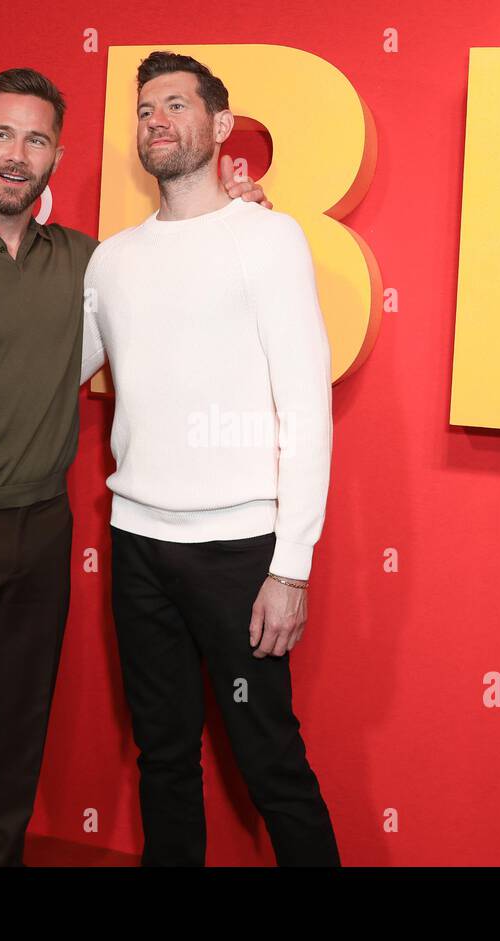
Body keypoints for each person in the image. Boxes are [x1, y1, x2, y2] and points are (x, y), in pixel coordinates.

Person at [0, 67, 268, 867]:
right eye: (2, 134)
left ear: (55, 158)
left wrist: (234, 221)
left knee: (16, 740)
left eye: (35, 139)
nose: (15, 154)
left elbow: (170, 282)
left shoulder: (86, 263)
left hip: (42, 537)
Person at [79, 51, 339, 866]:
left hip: (240, 553)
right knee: (162, 759)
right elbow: (50, 371)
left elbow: (306, 405)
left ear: (219, 126)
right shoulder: (110, 259)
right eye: (146, 110)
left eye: (175, 106)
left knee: (271, 763)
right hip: (138, 545)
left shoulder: (268, 238)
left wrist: (291, 566)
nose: (157, 121)